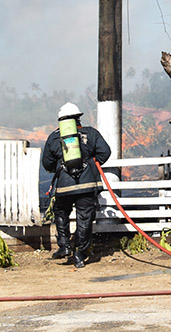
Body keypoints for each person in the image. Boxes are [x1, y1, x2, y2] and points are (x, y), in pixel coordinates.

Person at [41, 102, 111, 268]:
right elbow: (105, 152)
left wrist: (60, 168)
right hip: (87, 185)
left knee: (60, 211)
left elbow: (48, 164)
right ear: (79, 118)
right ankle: (79, 254)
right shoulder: (91, 133)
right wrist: (92, 164)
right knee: (85, 218)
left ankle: (64, 246)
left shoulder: (53, 137)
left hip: (64, 186)